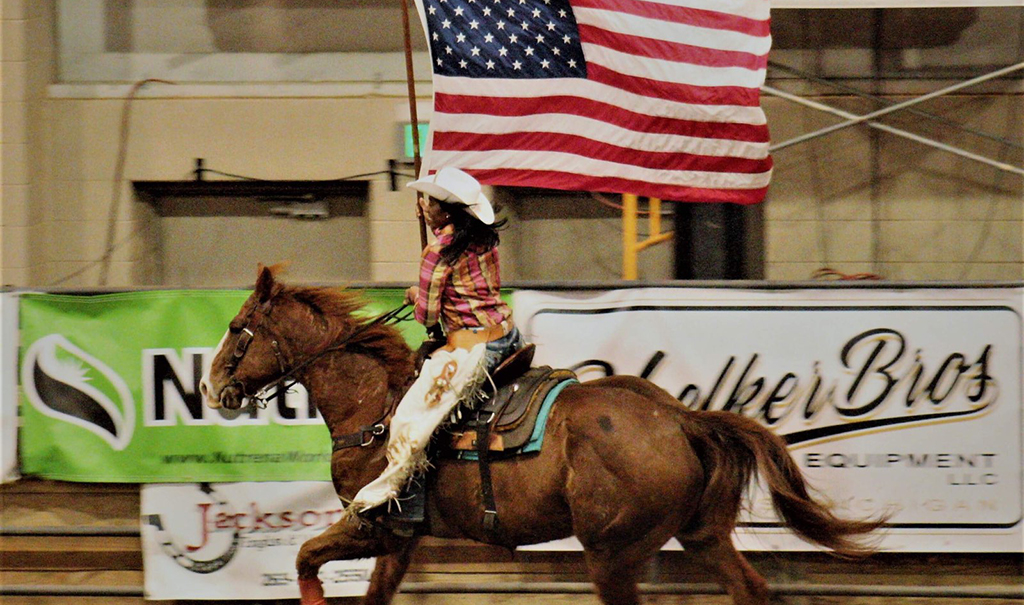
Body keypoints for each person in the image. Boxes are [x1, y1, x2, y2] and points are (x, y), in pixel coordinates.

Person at [348, 167, 525, 522]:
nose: (423, 207)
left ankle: (406, 506)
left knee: (409, 422)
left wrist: (418, 294)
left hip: (473, 349)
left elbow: (427, 317)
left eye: (429, 202)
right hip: (506, 334)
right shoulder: (484, 238)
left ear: (445, 211)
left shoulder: (437, 251)